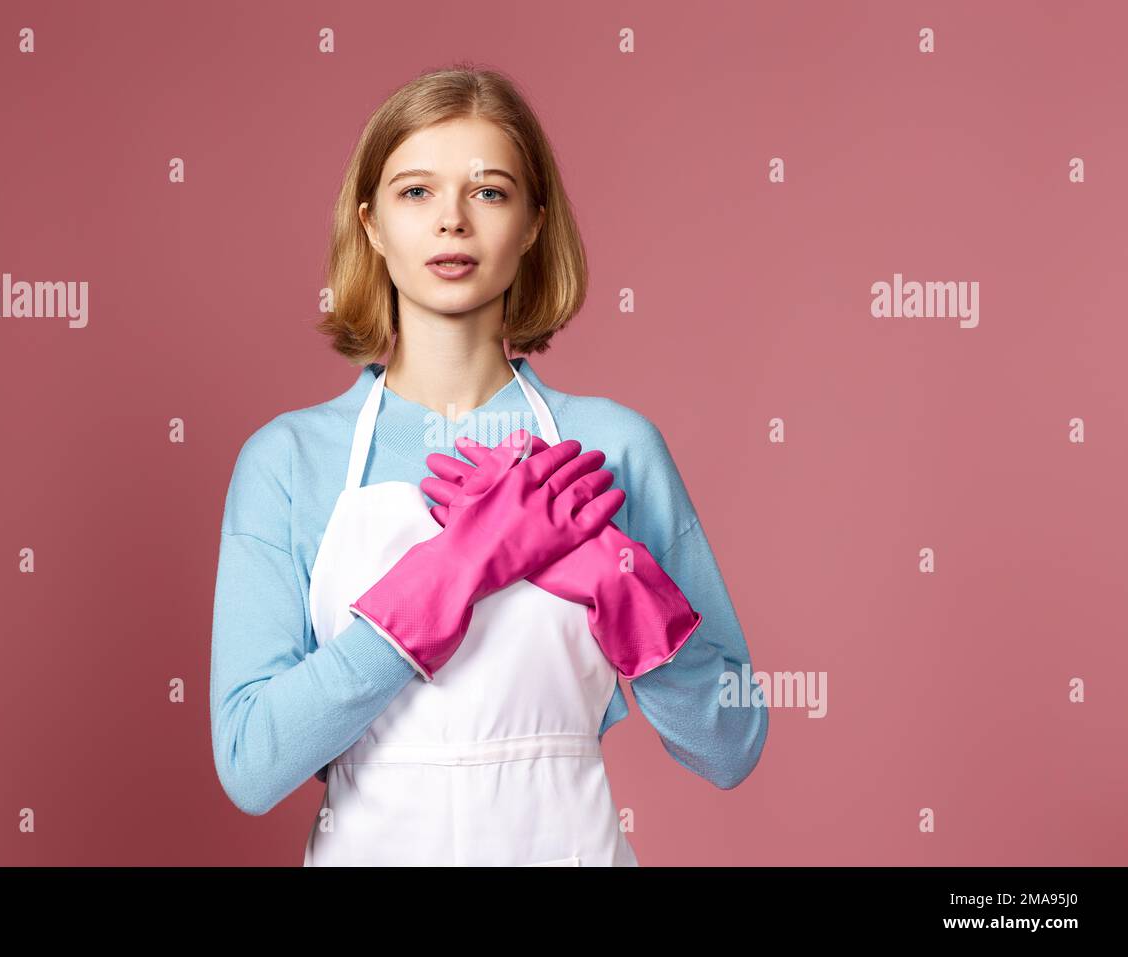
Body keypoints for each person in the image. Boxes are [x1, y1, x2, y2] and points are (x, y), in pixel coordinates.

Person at [209, 65, 768, 866]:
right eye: (415, 193)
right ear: (370, 225)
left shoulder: (610, 450)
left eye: (490, 192)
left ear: (535, 223)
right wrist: (450, 573)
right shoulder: (290, 461)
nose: (452, 223)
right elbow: (252, 763)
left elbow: (732, 744)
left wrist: (623, 585)